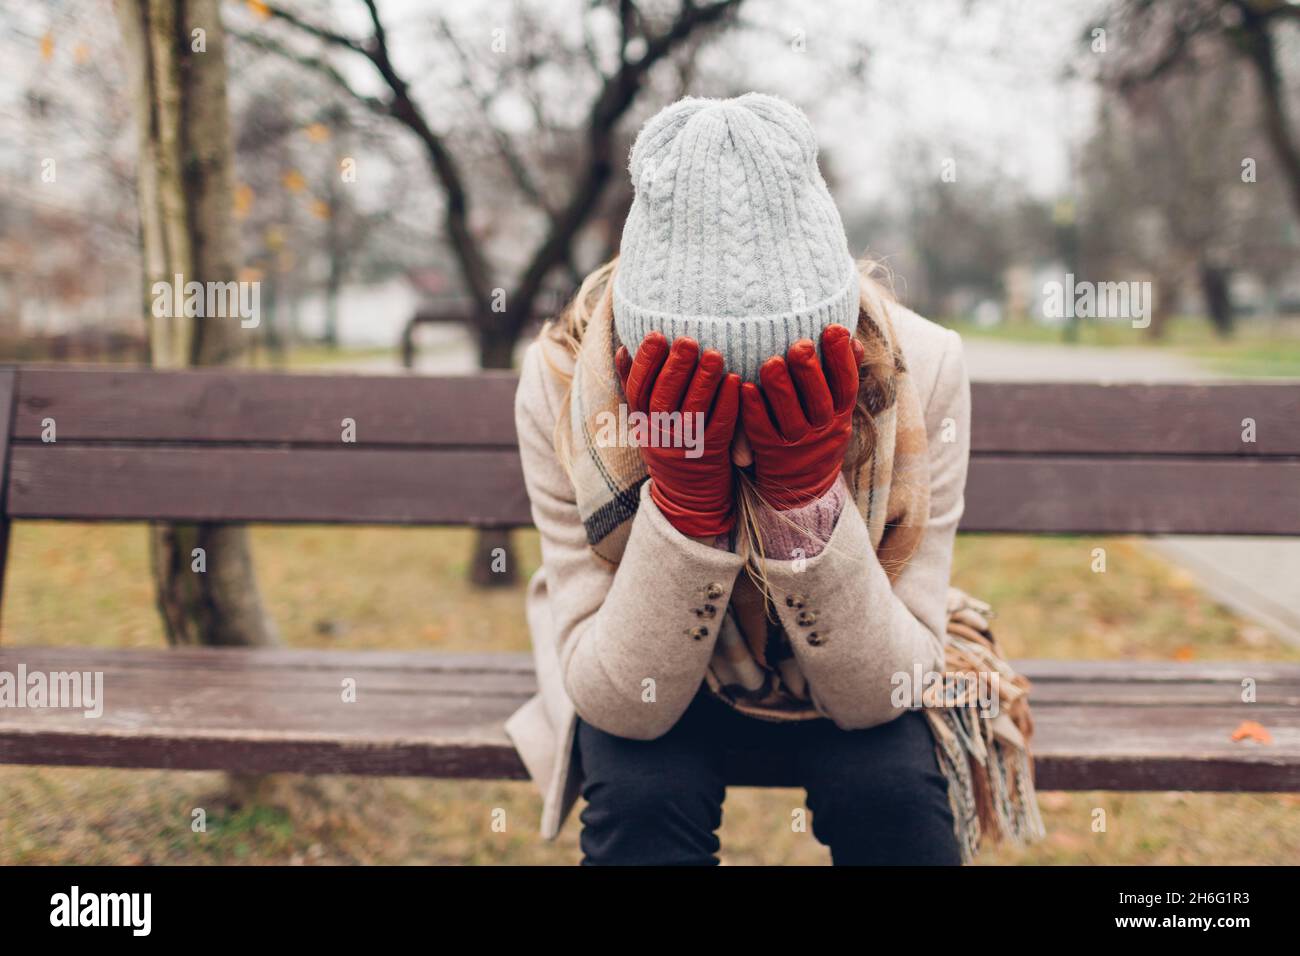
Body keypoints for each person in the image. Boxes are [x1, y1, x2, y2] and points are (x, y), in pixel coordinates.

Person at [503, 92, 972, 865]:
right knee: (640, 805)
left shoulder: (925, 366)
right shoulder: (562, 382)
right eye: (713, 397)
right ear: (634, 354)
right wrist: (685, 512)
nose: (748, 451)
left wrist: (803, 510)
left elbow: (886, 691)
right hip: (650, 660)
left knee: (893, 798)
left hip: (849, 654)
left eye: (775, 388)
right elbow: (618, 703)